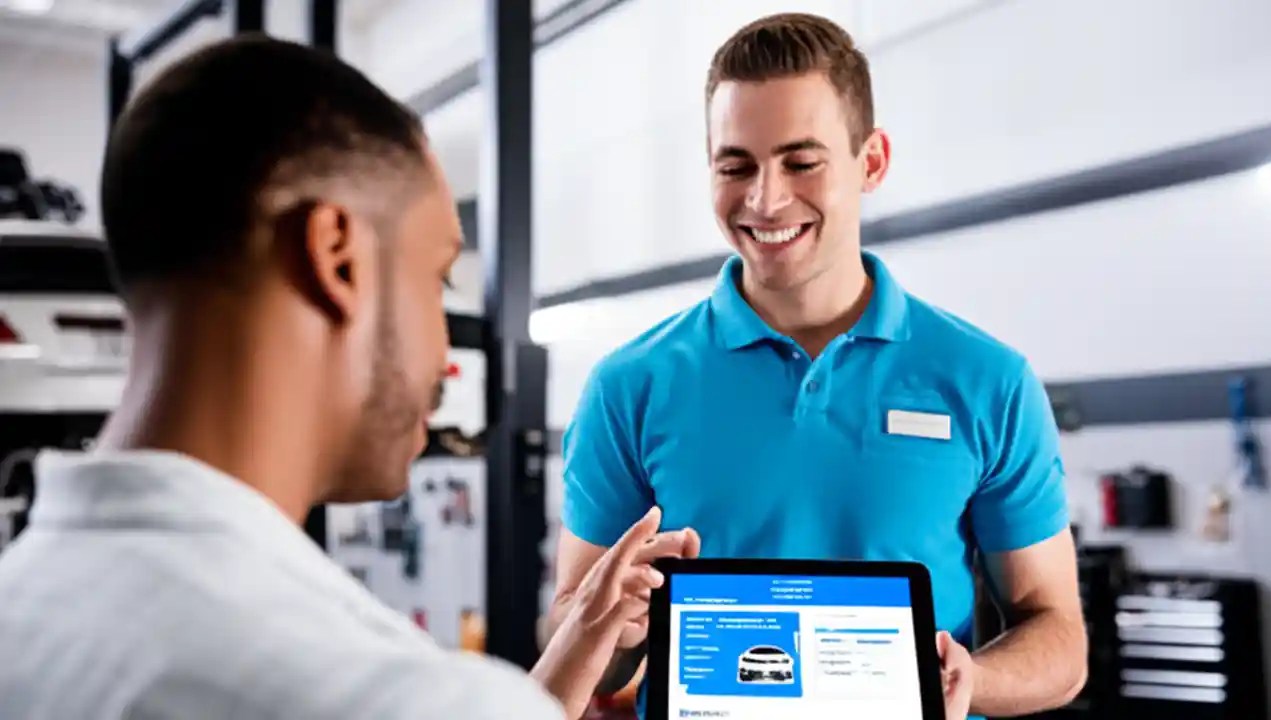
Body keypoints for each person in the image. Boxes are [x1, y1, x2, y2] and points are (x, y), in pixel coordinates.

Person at [0, 35, 692, 720]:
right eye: (436, 276)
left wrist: (571, 655)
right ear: (337, 258)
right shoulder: (391, 692)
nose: (439, 353)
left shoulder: (26, 604)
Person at [546, 12, 1086, 720]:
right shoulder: (630, 387)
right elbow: (566, 632)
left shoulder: (987, 381)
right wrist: (612, 630)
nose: (766, 199)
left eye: (802, 162)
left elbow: (1060, 639)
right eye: (736, 165)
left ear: (872, 161)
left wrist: (971, 680)